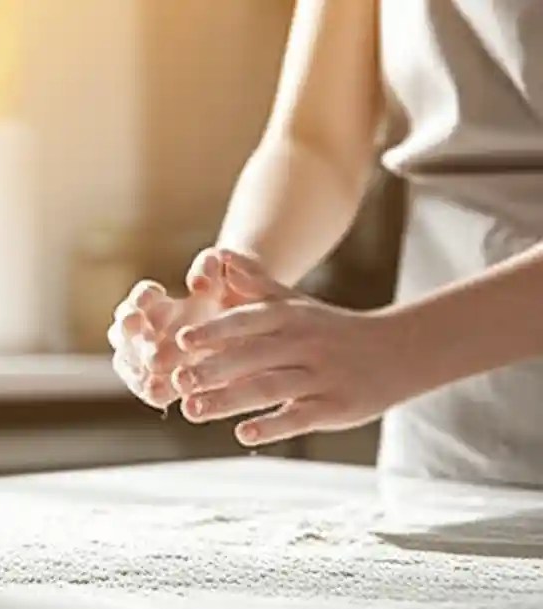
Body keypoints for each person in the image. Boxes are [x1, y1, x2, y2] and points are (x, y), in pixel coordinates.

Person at [109, 0, 543, 487]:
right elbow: (317, 144)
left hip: (418, 367)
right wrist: (233, 288)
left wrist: (401, 347)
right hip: (445, 448)